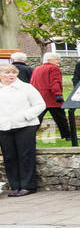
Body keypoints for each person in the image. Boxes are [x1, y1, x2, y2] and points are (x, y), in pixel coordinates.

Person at [0, 62, 45, 196]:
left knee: (25, 155)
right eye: (7, 73)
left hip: (25, 125)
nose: (11, 75)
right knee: (9, 157)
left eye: (13, 72)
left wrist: (26, 116)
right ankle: (15, 186)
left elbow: (40, 104)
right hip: (4, 126)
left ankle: (28, 186)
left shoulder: (26, 87)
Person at [30, 52, 70, 141]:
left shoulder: (37, 68)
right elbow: (55, 82)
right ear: (49, 60)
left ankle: (29, 136)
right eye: (57, 59)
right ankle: (67, 135)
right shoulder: (54, 68)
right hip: (51, 97)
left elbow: (33, 82)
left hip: (39, 96)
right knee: (60, 118)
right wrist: (58, 94)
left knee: (37, 118)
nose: (58, 61)